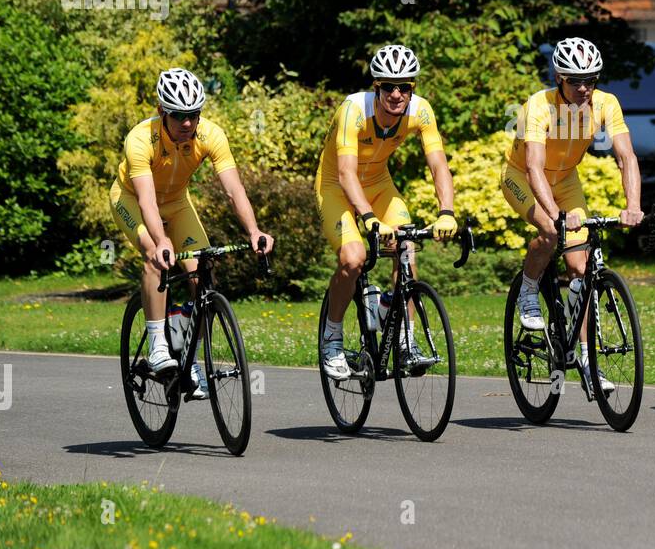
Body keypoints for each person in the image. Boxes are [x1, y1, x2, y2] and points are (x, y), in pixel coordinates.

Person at [110, 68, 275, 397]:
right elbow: (145, 200)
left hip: (177, 203)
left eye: (194, 115)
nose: (188, 123)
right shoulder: (141, 139)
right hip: (130, 199)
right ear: (161, 111)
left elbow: (233, 189)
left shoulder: (211, 135)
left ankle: (189, 356)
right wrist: (161, 241)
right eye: (179, 116)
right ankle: (158, 344)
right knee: (156, 259)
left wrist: (254, 230)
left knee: (203, 274)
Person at [500, 36, 644, 396]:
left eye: (591, 80)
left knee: (581, 269)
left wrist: (633, 205)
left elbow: (626, 156)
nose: (584, 88)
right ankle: (529, 290)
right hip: (523, 178)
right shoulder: (539, 105)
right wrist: (556, 214)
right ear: (558, 77)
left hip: (565, 180)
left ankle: (585, 361)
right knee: (551, 231)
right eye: (575, 80)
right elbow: (533, 167)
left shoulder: (606, 103)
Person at [316, 45, 458, 379]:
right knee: (353, 259)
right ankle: (332, 339)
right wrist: (369, 219)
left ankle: (406, 341)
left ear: (413, 89)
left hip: (379, 184)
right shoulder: (354, 109)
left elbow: (438, 165)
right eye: (388, 87)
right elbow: (347, 174)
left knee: (406, 249)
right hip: (335, 186)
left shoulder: (421, 111)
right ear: (376, 87)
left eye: (404, 87)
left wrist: (447, 211)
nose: (396, 94)